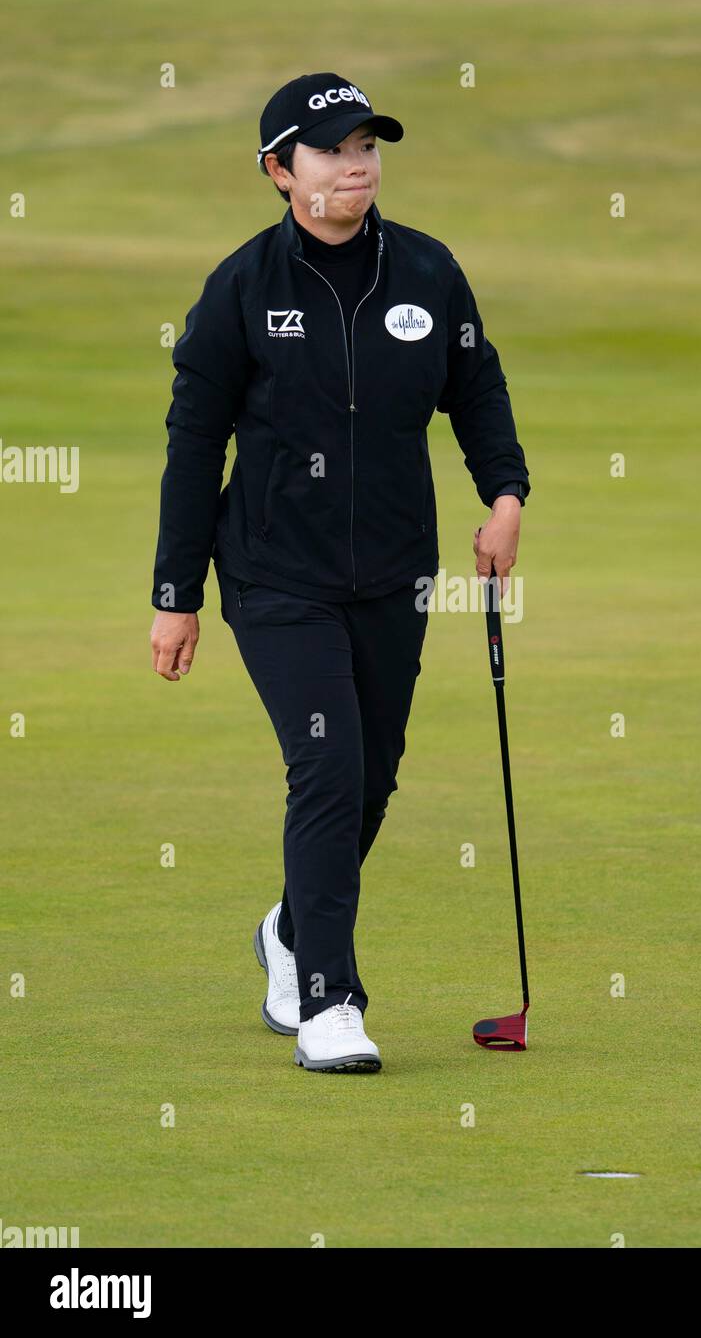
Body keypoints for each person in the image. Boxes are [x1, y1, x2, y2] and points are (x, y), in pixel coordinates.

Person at [149, 72, 531, 1074]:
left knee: (371, 773)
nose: (356, 163)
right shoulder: (241, 288)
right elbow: (194, 446)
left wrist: (504, 493)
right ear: (280, 171)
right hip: (277, 574)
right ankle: (329, 1000)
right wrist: (175, 596)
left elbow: (475, 387)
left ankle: (288, 929)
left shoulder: (426, 272)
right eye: (332, 149)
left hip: (397, 567)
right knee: (324, 766)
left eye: (368, 145)